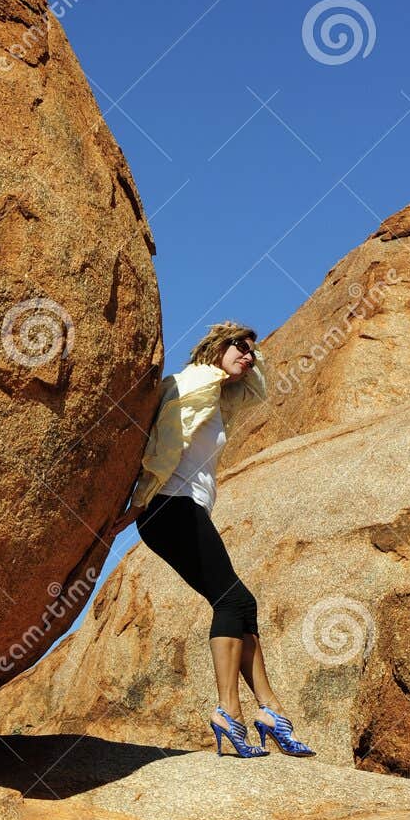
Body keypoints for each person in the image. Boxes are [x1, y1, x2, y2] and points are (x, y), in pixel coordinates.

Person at [110, 321, 315, 759]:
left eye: (251, 350)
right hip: (170, 506)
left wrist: (242, 358)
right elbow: (166, 441)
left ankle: (270, 710)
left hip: (185, 508)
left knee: (243, 604)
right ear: (217, 348)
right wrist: (140, 501)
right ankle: (230, 710)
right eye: (239, 346)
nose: (248, 355)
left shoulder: (219, 394)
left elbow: (258, 388)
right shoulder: (194, 384)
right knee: (231, 601)